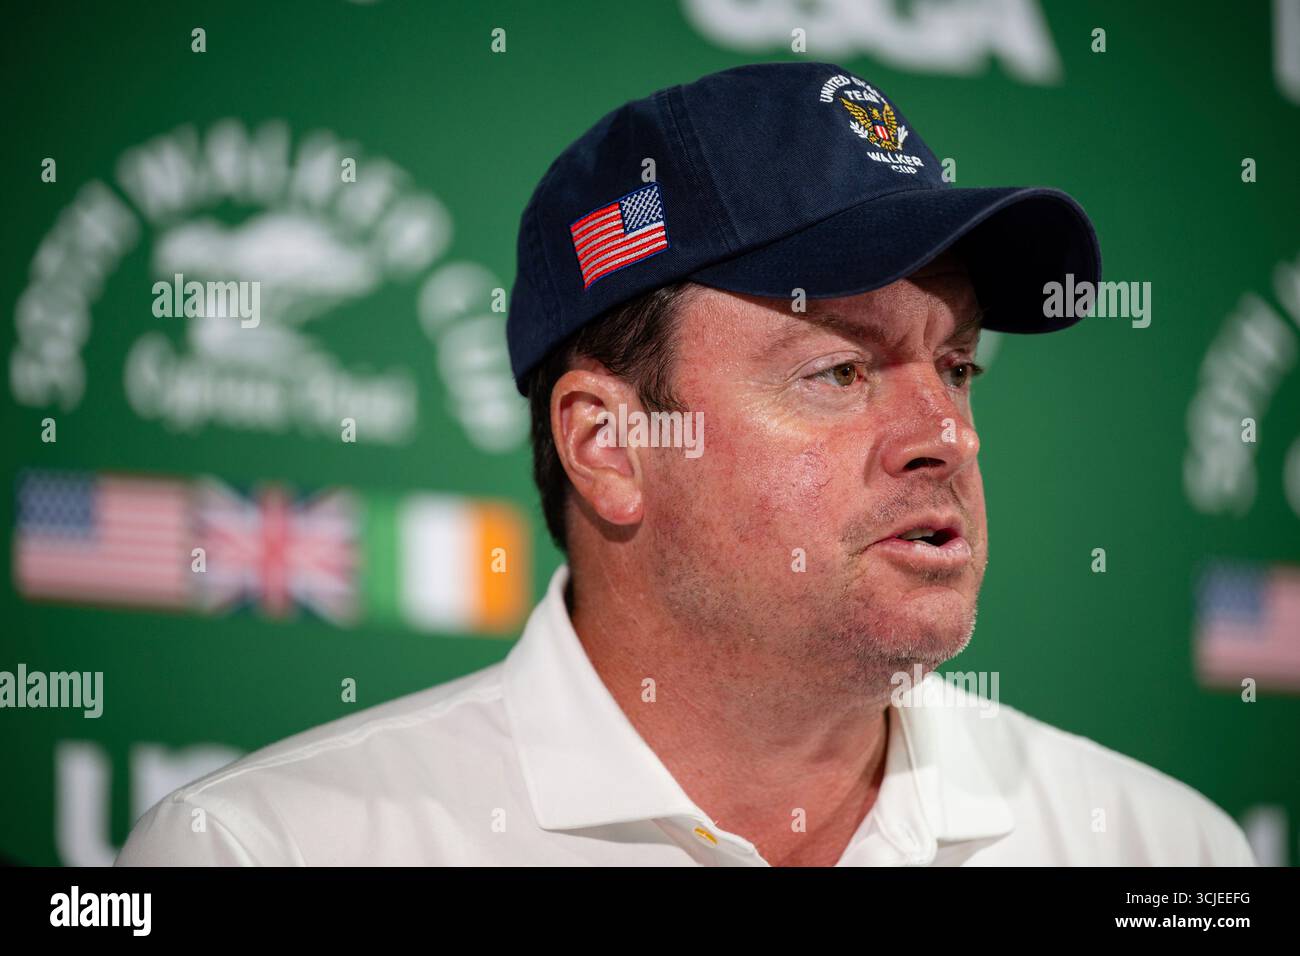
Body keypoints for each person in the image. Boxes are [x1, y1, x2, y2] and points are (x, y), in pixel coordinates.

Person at [117, 62, 1255, 866]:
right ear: (609, 446)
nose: (944, 435)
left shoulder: (1165, 851)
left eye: (954, 367)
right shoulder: (270, 850)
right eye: (839, 372)